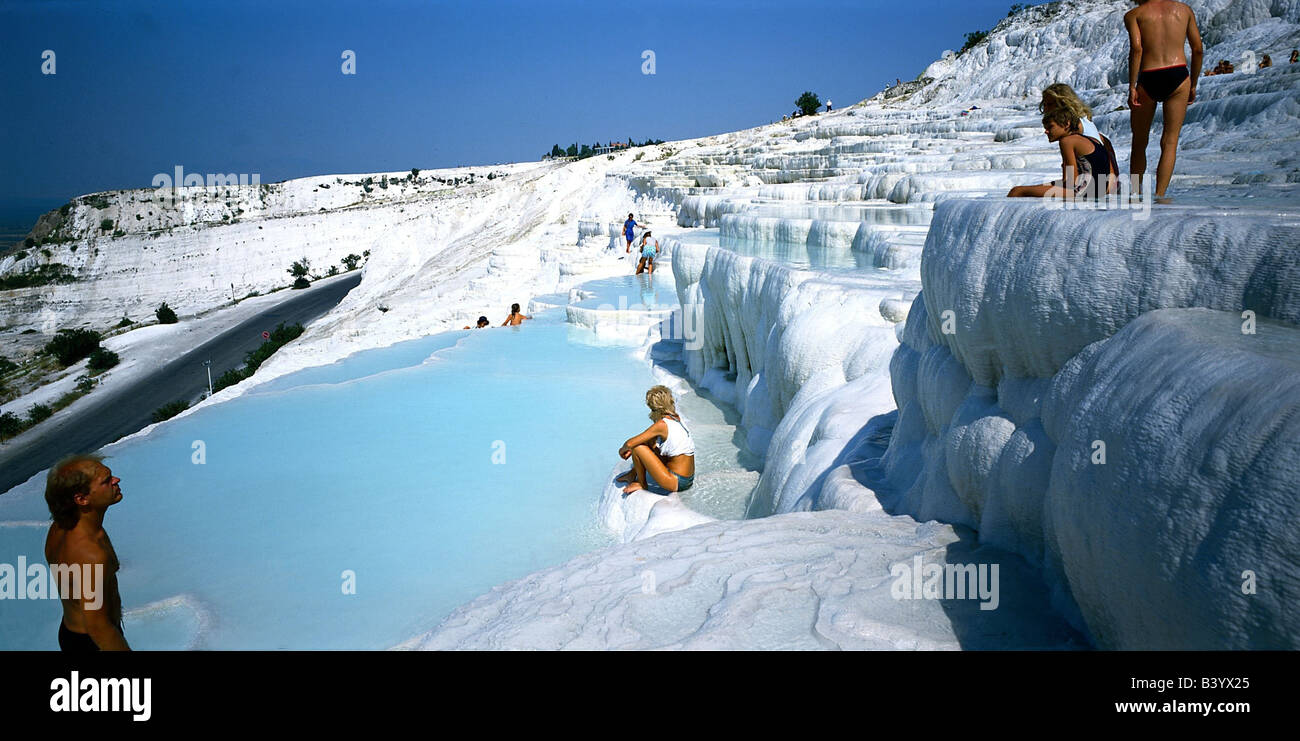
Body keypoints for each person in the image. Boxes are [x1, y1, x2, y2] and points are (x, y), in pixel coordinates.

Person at [44, 455, 129, 651]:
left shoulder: (61, 527)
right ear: (82, 499)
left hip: (74, 632)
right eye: (107, 481)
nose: (116, 480)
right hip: (93, 643)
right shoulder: (90, 555)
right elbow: (99, 627)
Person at [1125, 0, 1203, 198]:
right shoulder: (1184, 10)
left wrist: (1132, 86)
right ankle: (1160, 195)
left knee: (1139, 141)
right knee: (1170, 142)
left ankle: (1135, 193)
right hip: (1178, 73)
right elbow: (1197, 49)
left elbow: (1137, 49)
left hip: (1148, 74)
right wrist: (1193, 83)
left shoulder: (1134, 15)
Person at [1007, 108, 1117, 200]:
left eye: (1050, 127)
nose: (1046, 131)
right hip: (1099, 189)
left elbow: (1070, 181)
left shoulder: (1067, 141)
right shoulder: (1094, 138)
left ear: (1066, 124)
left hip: (1085, 192)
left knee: (1017, 191)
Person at [615, 385, 695, 495]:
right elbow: (649, 440)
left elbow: (630, 443)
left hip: (677, 481)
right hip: (687, 479)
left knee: (637, 447)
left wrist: (622, 450)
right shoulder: (676, 418)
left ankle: (642, 484)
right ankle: (632, 474)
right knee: (651, 442)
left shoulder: (662, 425)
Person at [1040, 83, 1119, 172]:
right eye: (1044, 105)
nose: (1046, 109)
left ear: (1063, 103)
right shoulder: (1084, 120)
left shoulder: (1071, 134)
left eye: (1050, 104)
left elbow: (1070, 180)